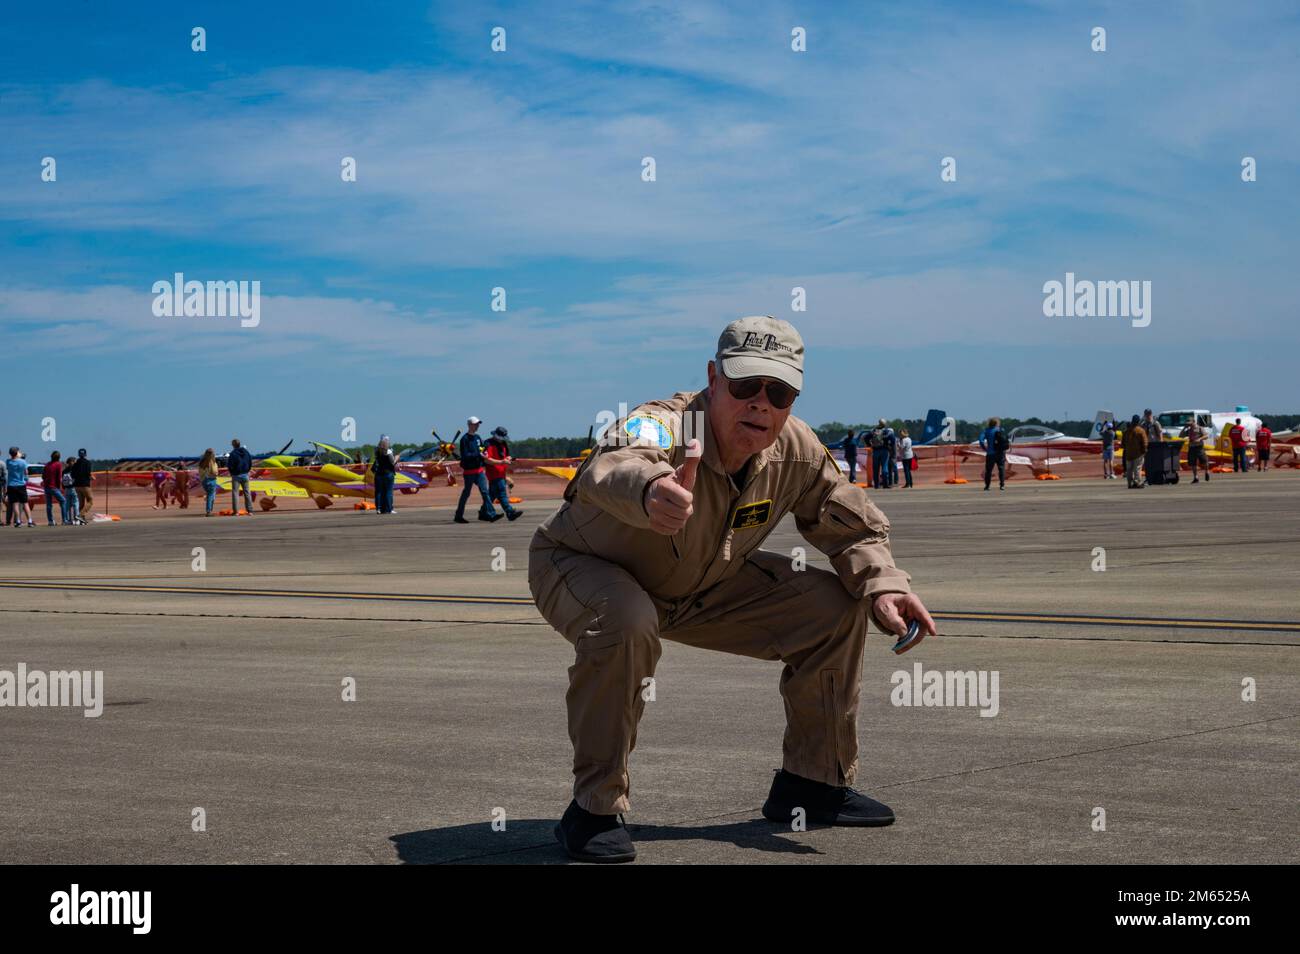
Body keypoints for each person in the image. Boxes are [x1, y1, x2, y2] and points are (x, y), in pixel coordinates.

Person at [529, 316, 936, 863]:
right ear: (713, 379)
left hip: (701, 584)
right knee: (624, 624)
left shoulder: (797, 448)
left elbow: (851, 524)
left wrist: (882, 584)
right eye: (744, 385)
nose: (760, 403)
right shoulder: (665, 425)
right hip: (583, 565)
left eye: (780, 391)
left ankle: (812, 784)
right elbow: (616, 460)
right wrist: (651, 490)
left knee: (836, 607)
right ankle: (594, 810)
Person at [454, 416, 501, 523]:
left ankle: (491, 514)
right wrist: (478, 454)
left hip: (479, 470)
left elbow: (482, 449)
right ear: (469, 425)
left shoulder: (478, 438)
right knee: (466, 493)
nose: (477, 426)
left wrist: (484, 453)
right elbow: (465, 455)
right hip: (469, 472)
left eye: (478, 424)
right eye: (475, 424)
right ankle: (458, 516)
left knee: (485, 492)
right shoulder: (464, 439)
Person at [483, 427, 522, 521]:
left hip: (501, 473)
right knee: (502, 493)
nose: (503, 439)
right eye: (501, 437)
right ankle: (510, 512)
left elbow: (506, 455)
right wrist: (502, 462)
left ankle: (483, 512)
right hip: (493, 473)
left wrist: (508, 458)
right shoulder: (488, 444)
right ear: (496, 435)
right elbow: (486, 460)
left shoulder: (503, 443)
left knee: (492, 495)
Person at [5, 447, 32, 527]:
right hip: (21, 484)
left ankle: (18, 521)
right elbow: (26, 472)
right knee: (25, 503)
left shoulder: (8, 461)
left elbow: (10, 462)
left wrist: (16, 455)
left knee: (15, 504)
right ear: (17, 453)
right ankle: (30, 521)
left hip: (12, 485)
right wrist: (20, 456)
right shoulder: (23, 462)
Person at [979, 417, 1007, 491]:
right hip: (1000, 453)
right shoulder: (1000, 430)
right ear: (997, 423)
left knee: (988, 470)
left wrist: (985, 449)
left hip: (990, 453)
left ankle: (987, 486)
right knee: (1001, 469)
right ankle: (1002, 485)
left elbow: (981, 441)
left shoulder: (986, 431)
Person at [228, 438, 254, 514]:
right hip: (245, 475)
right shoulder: (246, 452)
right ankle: (250, 511)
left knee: (235, 493)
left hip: (236, 475)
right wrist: (247, 471)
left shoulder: (233, 454)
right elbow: (250, 462)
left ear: (233, 445)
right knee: (247, 493)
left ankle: (236, 512)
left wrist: (232, 473)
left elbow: (230, 465)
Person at [1180, 418, 1211, 483]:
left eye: (1190, 423)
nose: (1189, 424)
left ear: (1194, 422)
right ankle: (1195, 477)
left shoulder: (1200, 428)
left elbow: (1206, 436)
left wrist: (1200, 439)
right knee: (1193, 463)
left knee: (1204, 461)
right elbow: (1181, 436)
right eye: (1188, 423)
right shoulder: (1189, 430)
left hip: (1199, 447)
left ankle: (1207, 472)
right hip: (1192, 448)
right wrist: (1184, 428)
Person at [373, 435, 397, 514]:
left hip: (379, 474)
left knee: (379, 492)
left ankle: (379, 509)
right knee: (388, 491)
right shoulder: (389, 451)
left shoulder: (376, 451)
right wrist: (397, 457)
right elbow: (392, 462)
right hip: (388, 473)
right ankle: (389, 509)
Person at [42, 451, 68, 525]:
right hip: (53, 487)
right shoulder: (58, 464)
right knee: (63, 501)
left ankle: (50, 521)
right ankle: (64, 520)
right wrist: (59, 487)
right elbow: (59, 477)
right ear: (59, 457)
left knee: (49, 504)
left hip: (46, 486)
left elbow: (43, 476)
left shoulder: (47, 465)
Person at [1123, 414, 1148, 488]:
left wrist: (1127, 449)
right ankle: (1137, 482)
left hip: (1128, 454)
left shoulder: (1126, 431)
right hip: (1138, 453)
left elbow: (1123, 443)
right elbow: (1145, 442)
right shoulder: (1141, 431)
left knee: (1129, 469)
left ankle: (1129, 483)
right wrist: (1144, 450)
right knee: (1137, 468)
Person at [68, 448, 93, 522]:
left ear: (78, 454)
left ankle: (82, 520)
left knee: (81, 502)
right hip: (85, 484)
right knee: (90, 501)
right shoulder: (88, 463)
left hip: (77, 485)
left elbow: (72, 474)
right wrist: (91, 477)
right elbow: (88, 473)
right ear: (85, 454)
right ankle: (80, 515)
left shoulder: (75, 464)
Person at [198, 449, 220, 516]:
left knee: (210, 495)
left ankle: (210, 509)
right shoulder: (212, 462)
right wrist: (216, 473)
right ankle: (209, 510)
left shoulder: (201, 462)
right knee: (211, 495)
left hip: (204, 480)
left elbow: (200, 472)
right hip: (211, 479)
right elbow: (214, 471)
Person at [868, 420, 888, 489]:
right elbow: (892, 439)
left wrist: (870, 445)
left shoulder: (874, 430)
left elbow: (865, 437)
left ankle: (876, 485)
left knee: (876, 469)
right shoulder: (886, 431)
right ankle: (885, 484)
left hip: (875, 451)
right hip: (884, 451)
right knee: (884, 467)